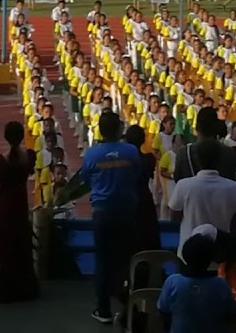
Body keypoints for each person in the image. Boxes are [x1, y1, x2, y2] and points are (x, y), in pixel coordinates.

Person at [82, 111, 140, 324]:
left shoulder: (91, 155)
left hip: (102, 213)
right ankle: (128, 307)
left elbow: (86, 179)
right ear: (119, 129)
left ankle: (103, 309)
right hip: (127, 212)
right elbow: (136, 174)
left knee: (103, 261)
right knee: (127, 260)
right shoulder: (131, 152)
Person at [0, 121, 40, 304]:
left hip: (2, 208)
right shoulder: (28, 157)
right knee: (19, 245)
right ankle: (21, 288)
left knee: (1, 247)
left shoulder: (0, 160)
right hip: (19, 207)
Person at [168, 138, 236, 252]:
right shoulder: (233, 187)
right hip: (221, 252)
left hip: (189, 252)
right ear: (220, 159)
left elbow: (174, 216)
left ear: (197, 159)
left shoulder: (184, 185)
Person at [157, 233, 236, 333]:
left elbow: (163, 313)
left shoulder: (172, 282)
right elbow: (231, 316)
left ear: (185, 255)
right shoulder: (221, 284)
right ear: (210, 259)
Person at [124, 125, 162, 252]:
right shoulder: (149, 159)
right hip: (145, 197)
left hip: (128, 199)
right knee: (148, 236)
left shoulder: (123, 161)